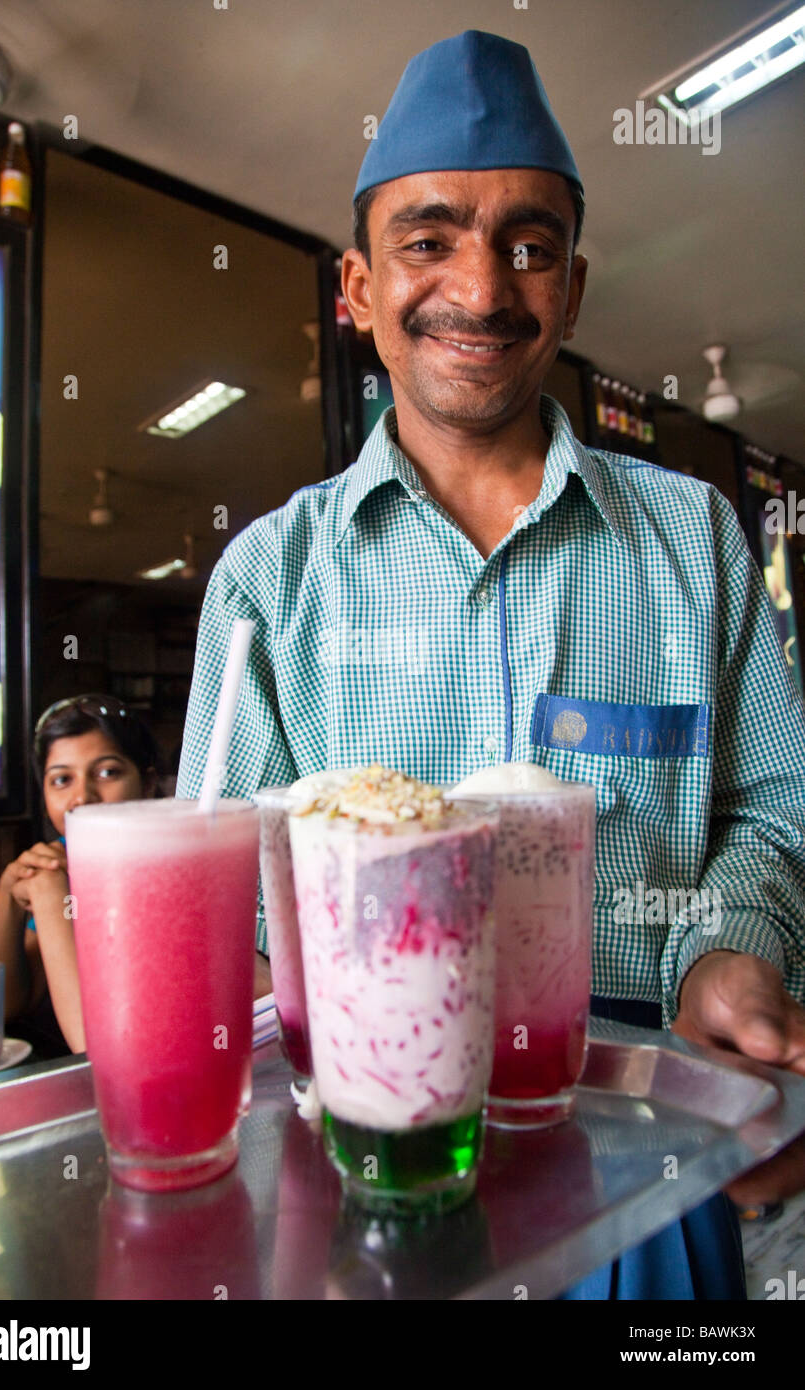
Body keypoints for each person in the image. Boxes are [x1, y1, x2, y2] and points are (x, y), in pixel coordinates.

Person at [177, 31, 805, 1297]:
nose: (481, 284)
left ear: (569, 289)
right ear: (356, 288)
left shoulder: (691, 539)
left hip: (644, 1165)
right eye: (429, 237)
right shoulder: (266, 582)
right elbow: (220, 893)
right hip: (359, 1183)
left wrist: (726, 950)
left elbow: (770, 805)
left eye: (528, 243)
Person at [0, 694, 163, 1055]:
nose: (83, 796)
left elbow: (100, 1046)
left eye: (107, 772)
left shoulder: (167, 874)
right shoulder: (65, 863)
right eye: (62, 779)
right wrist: (9, 896)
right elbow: (1, 1008)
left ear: (146, 784)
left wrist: (51, 897)